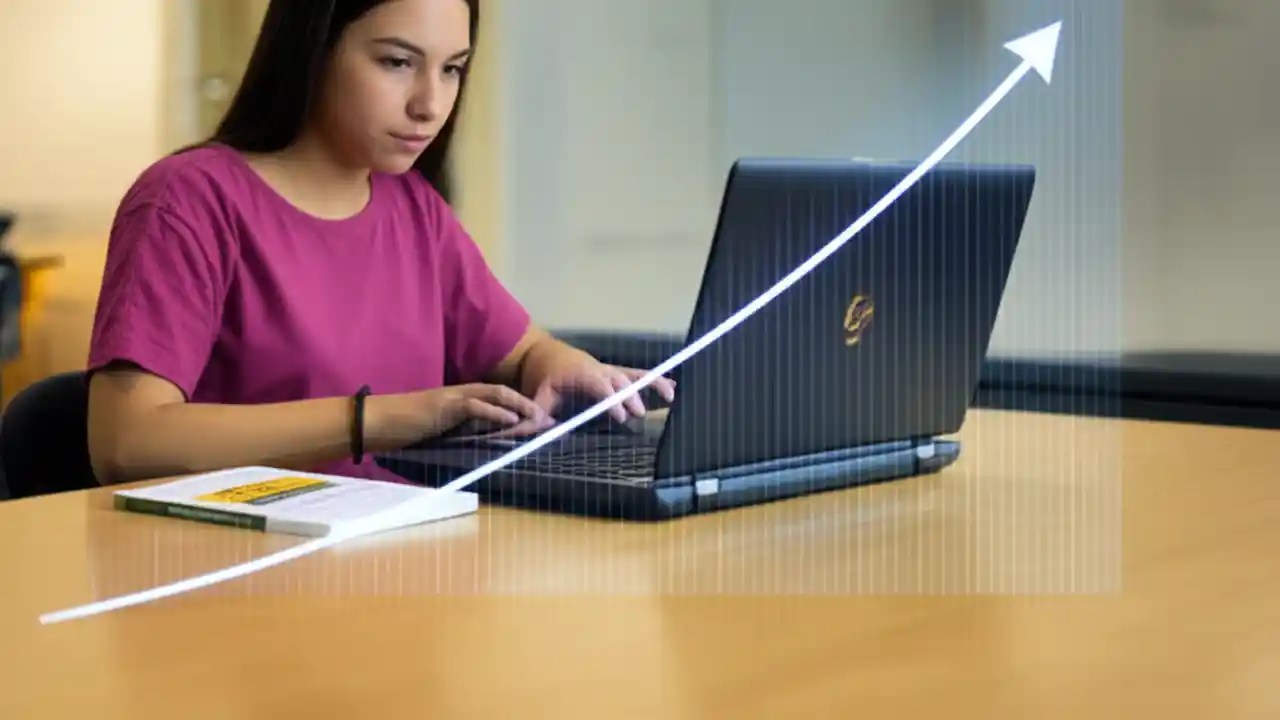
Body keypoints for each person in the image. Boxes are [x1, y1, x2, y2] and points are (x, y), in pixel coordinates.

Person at [85, 0, 675, 486]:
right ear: (312, 52)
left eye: (453, 69)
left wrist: (561, 363)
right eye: (397, 62)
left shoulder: (412, 205)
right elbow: (128, 443)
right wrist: (387, 418)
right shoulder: (188, 200)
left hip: (407, 559)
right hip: (239, 568)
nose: (430, 104)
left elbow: (520, 350)